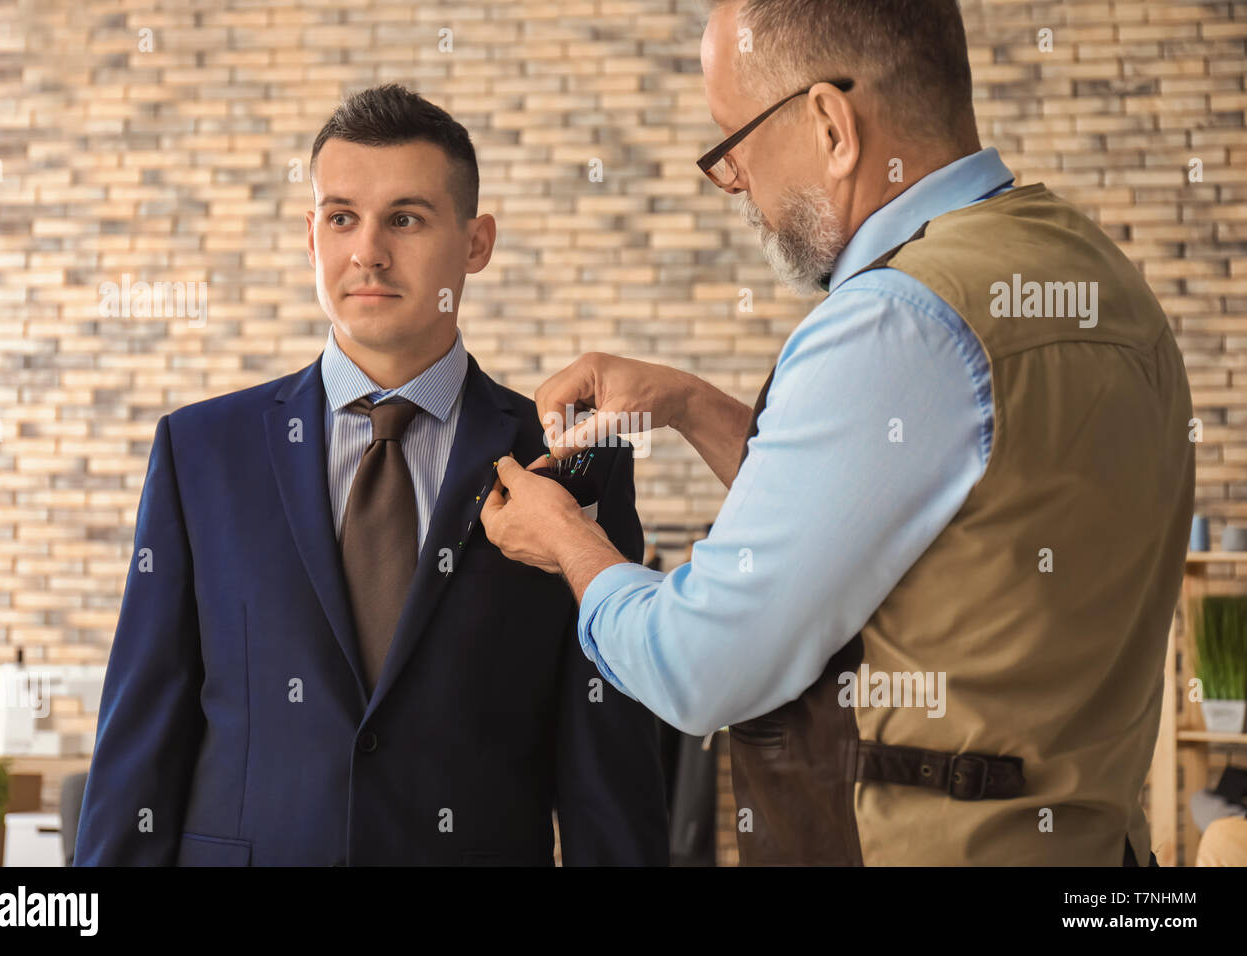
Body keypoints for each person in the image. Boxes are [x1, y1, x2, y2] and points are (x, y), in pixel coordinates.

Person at [483, 0, 1193, 865]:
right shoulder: (1096, 275)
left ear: (830, 124)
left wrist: (568, 542)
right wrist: (690, 405)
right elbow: (898, 518)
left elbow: (699, 666)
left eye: (731, 141)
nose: (735, 179)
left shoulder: (894, 323)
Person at [75, 85, 668, 866]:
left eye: (407, 218)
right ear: (310, 236)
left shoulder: (569, 458)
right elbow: (142, 738)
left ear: (476, 243)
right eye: (341, 217)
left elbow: (608, 776)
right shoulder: (201, 452)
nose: (368, 252)